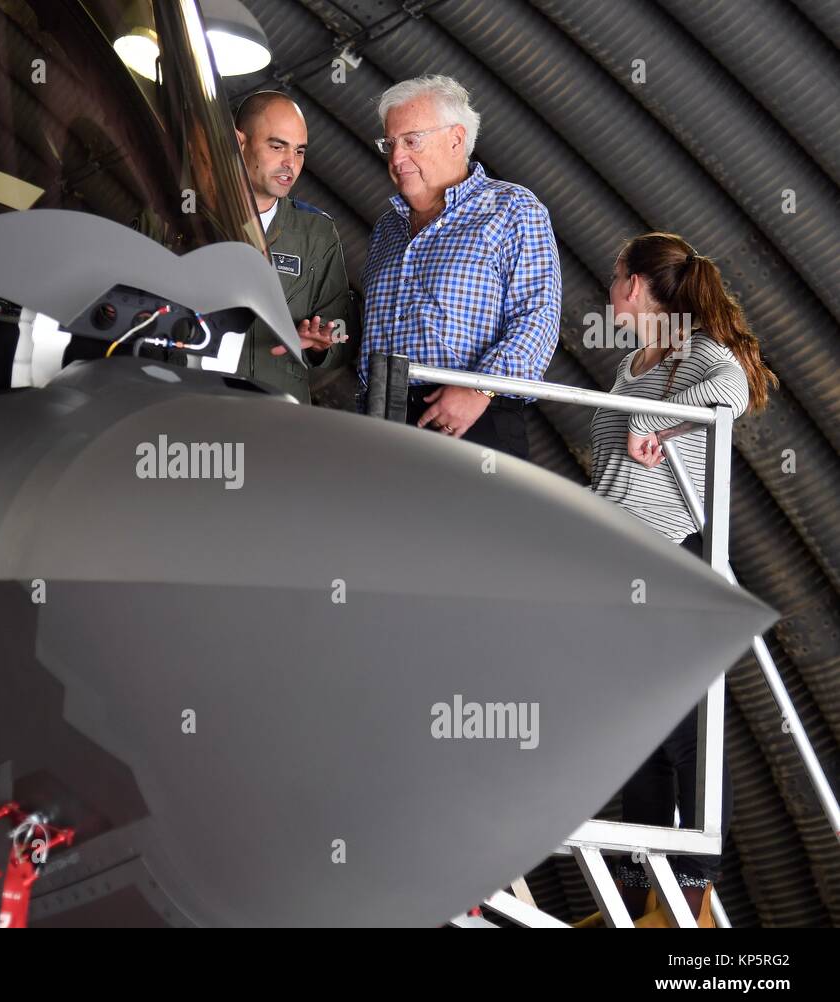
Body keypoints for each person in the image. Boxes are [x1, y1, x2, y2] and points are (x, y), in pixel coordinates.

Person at [588, 231, 778, 926]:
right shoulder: (636, 360)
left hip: (666, 553)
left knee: (684, 730)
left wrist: (655, 424)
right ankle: (643, 888)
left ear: (635, 285)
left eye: (615, 275)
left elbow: (728, 393)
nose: (609, 288)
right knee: (635, 727)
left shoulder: (700, 355)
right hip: (614, 557)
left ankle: (691, 890)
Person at [360, 75, 561, 458]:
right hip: (384, 422)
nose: (396, 158)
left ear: (456, 139)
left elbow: (538, 318)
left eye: (411, 141)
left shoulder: (512, 209)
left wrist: (478, 389)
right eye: (390, 144)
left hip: (473, 420)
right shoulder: (388, 227)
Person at [233, 91, 354, 404]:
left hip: (275, 417)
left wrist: (325, 341)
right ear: (238, 142)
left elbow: (341, 326)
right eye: (277, 146)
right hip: (189, 407)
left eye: (299, 151)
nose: (291, 163)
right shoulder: (179, 218)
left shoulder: (317, 233)